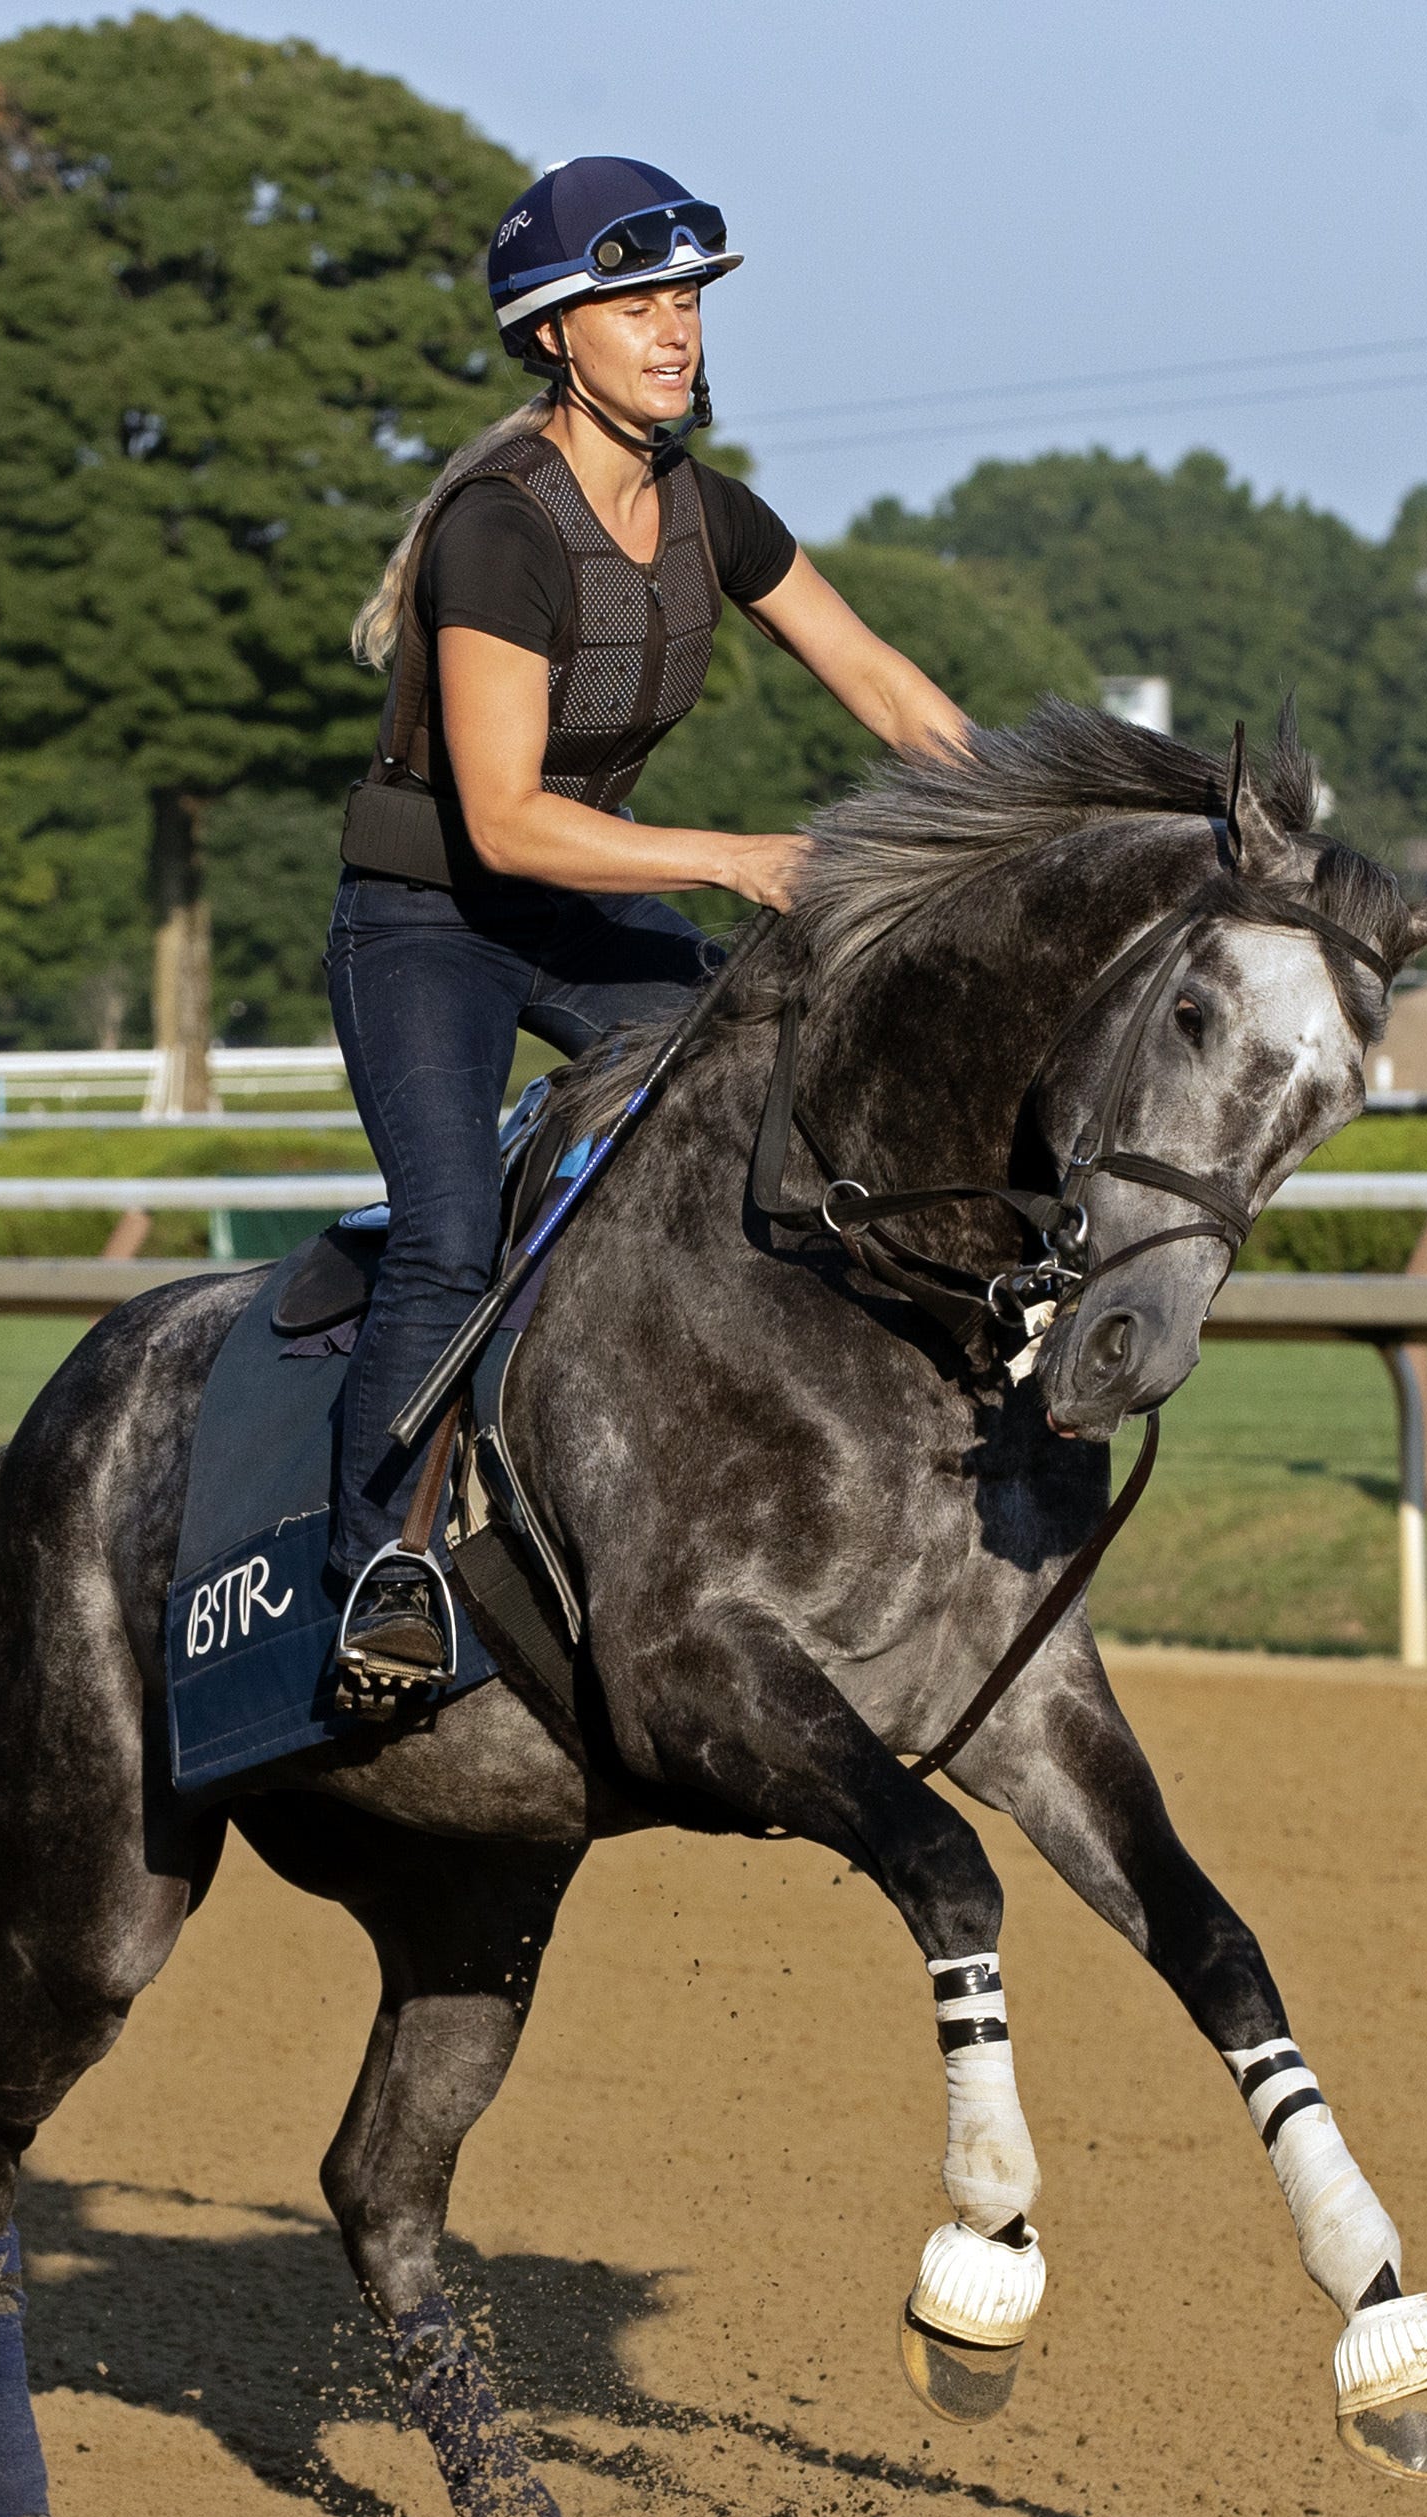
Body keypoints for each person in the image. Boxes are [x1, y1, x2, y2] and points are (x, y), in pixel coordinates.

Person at [327, 155, 974, 1684]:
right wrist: (743, 859)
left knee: (773, 1119)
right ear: (557, 335)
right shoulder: (500, 530)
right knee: (444, 1231)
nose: (674, 330)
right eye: (637, 305)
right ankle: (381, 1574)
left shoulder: (712, 513)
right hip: (431, 920)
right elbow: (500, 822)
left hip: (578, 908)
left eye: (685, 300)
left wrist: (1011, 816)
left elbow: (877, 679)